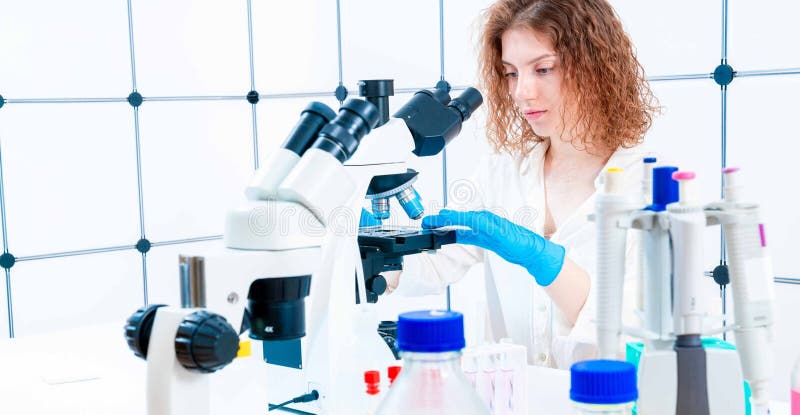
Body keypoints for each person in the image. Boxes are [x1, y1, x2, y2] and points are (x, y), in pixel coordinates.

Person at [382, 0, 658, 369]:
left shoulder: (650, 191)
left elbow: (624, 344)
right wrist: (374, 250)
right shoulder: (500, 174)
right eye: (511, 73)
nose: (521, 92)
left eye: (543, 69)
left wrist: (547, 263)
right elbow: (432, 266)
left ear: (596, 69)